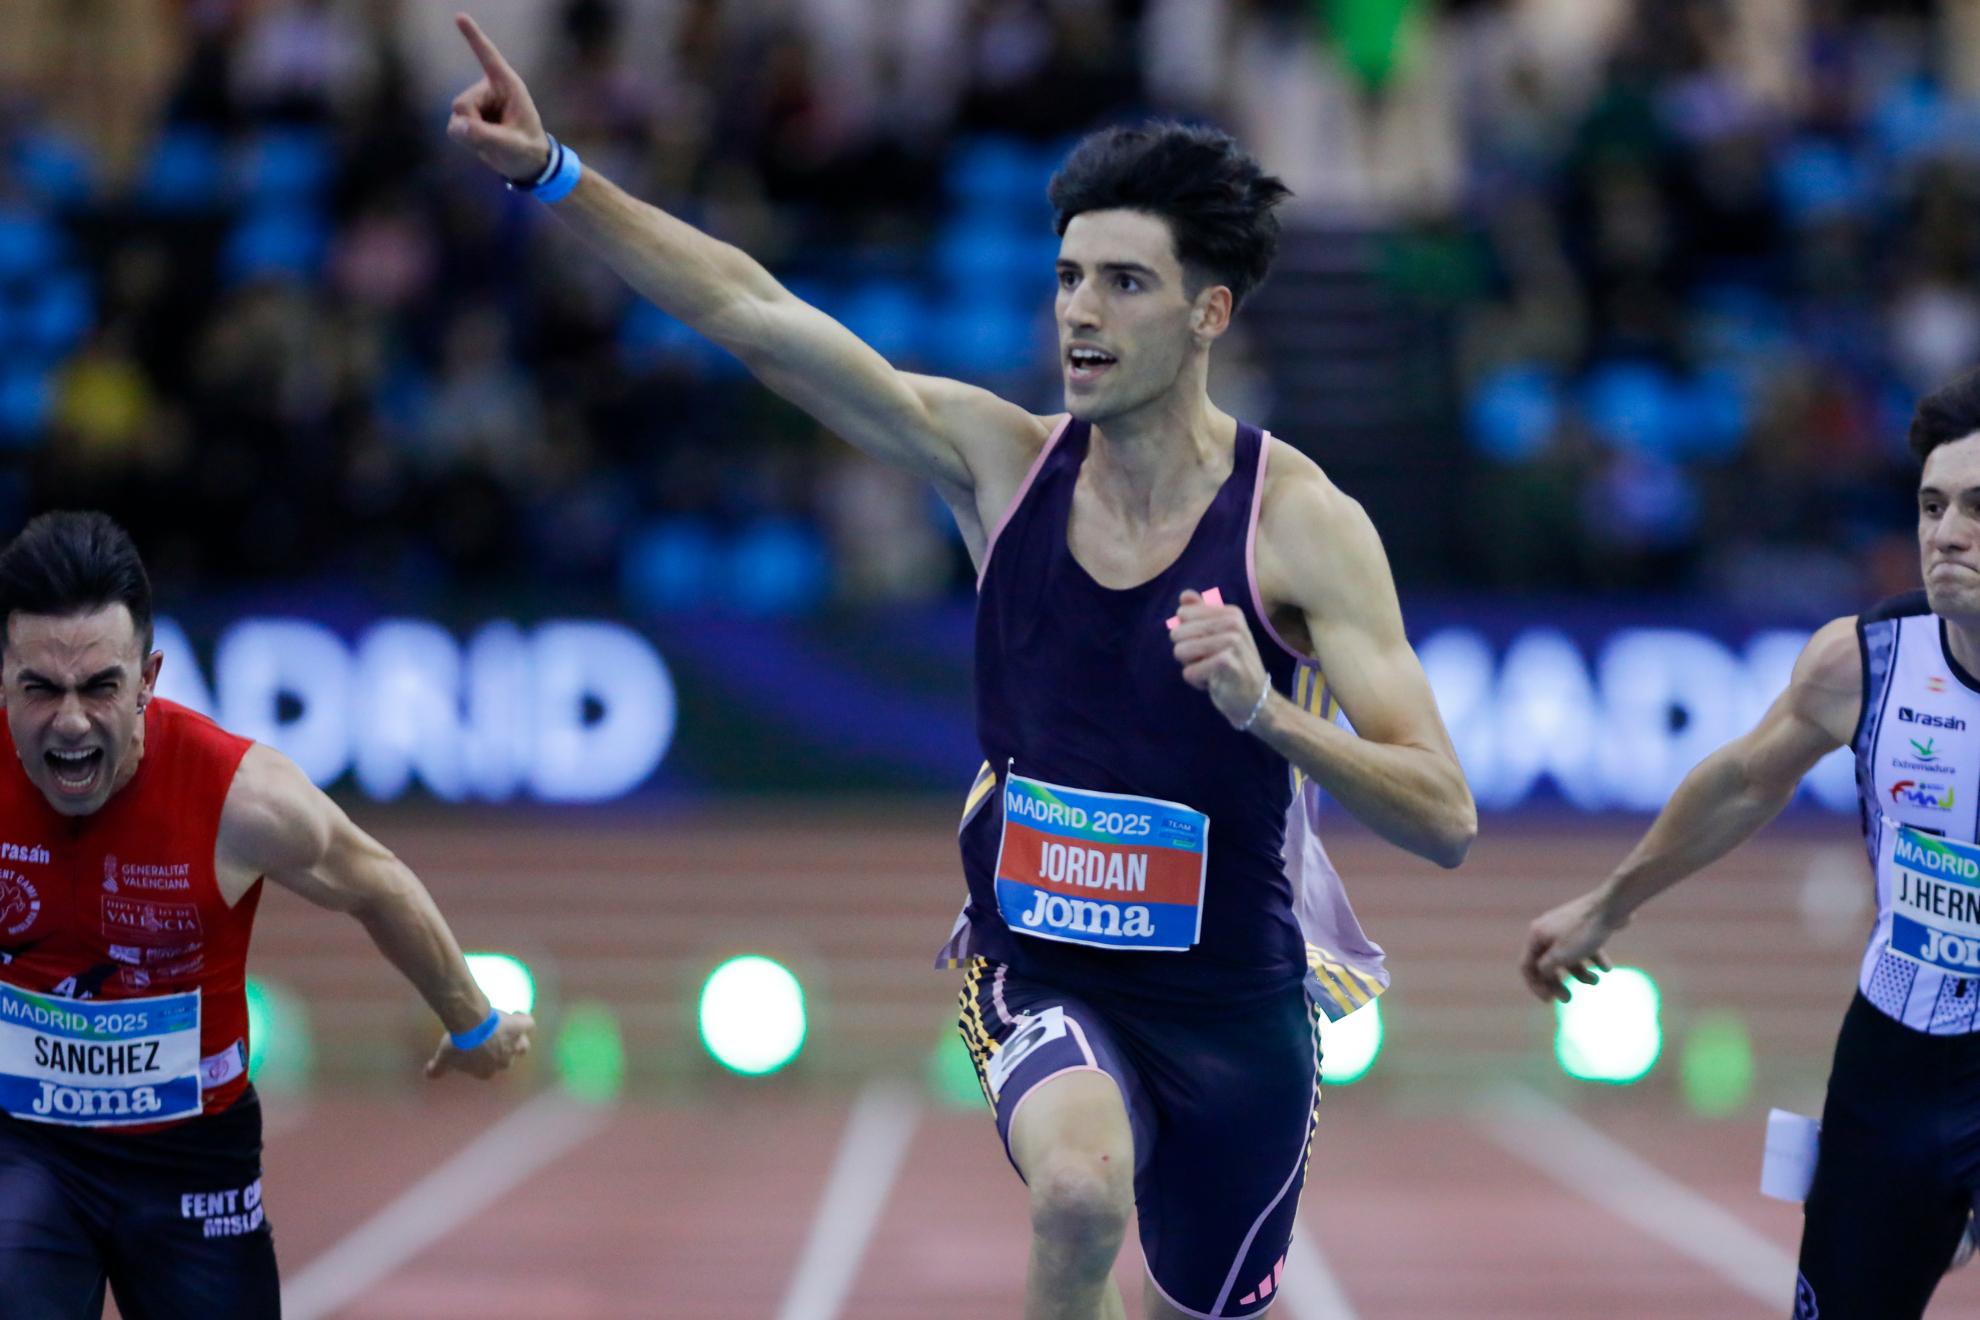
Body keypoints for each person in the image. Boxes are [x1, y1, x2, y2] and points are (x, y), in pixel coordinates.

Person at [446, 16, 1475, 1317]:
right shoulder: (1001, 464)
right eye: (1067, 278)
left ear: (1211, 311)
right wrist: (555, 175)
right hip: (1040, 959)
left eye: (1124, 284)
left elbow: (1443, 816)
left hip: (1237, 1005)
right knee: (1082, 1193)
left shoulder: (1304, 528)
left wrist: (1269, 713)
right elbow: (756, 317)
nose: (1079, 315)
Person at [1521, 371, 1980, 1320]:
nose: (1945, 533)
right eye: (1933, 505)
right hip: (1896, 1055)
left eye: (1978, 509)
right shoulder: (1865, 662)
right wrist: (1608, 904)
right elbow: (1741, 782)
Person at [0, 510, 533, 1319]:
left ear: (148, 678)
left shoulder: (241, 797)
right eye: (40, 688)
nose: (70, 721)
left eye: (100, 687)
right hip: (24, 1146)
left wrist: (473, 1023)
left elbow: (377, 885)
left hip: (192, 1161)